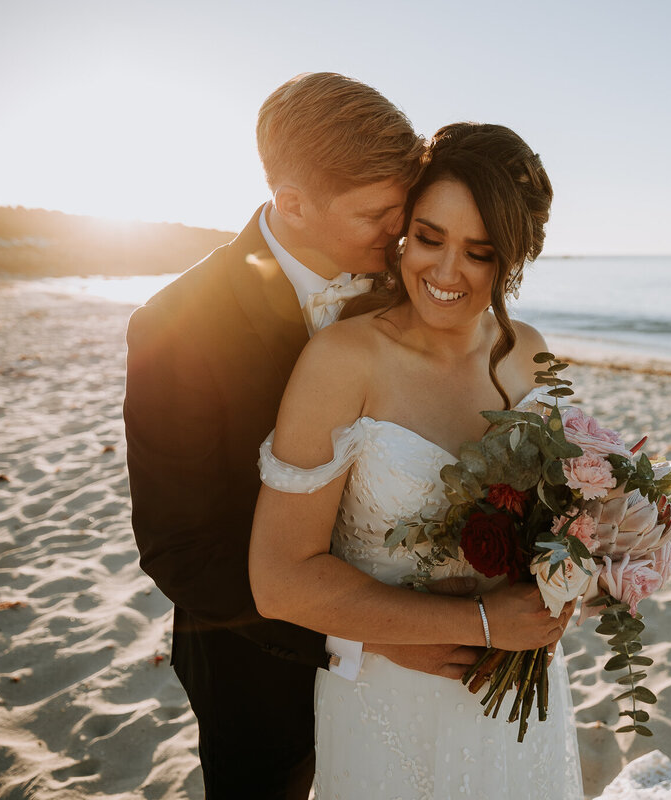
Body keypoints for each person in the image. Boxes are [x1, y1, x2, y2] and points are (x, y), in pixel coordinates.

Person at [124, 73, 477, 800]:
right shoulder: (174, 325)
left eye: (402, 210)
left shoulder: (404, 287)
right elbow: (179, 550)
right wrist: (359, 632)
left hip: (415, 661)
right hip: (259, 670)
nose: (401, 234)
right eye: (377, 215)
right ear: (292, 204)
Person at [249, 122, 584, 798]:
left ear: (514, 258)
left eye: (480, 252)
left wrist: (566, 585)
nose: (445, 272)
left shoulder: (531, 354)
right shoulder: (344, 361)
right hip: (386, 696)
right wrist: (484, 624)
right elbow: (279, 580)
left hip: (520, 700)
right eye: (429, 238)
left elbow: (563, 519)